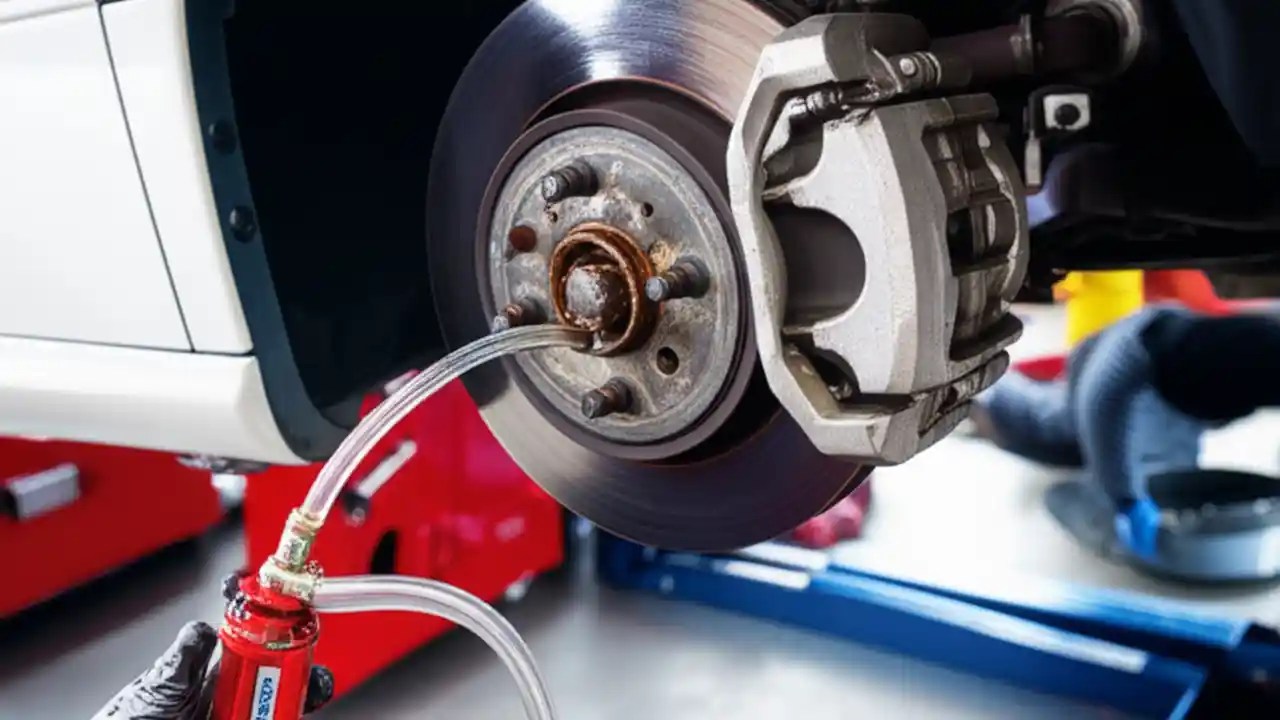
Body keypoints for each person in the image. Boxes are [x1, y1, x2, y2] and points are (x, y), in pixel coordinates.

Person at [972, 304, 1280, 567]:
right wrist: (1125, 499)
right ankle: (984, 390)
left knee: (1163, 481)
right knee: (1066, 442)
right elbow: (1104, 400)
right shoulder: (1142, 364)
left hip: (1175, 387)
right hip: (1129, 354)